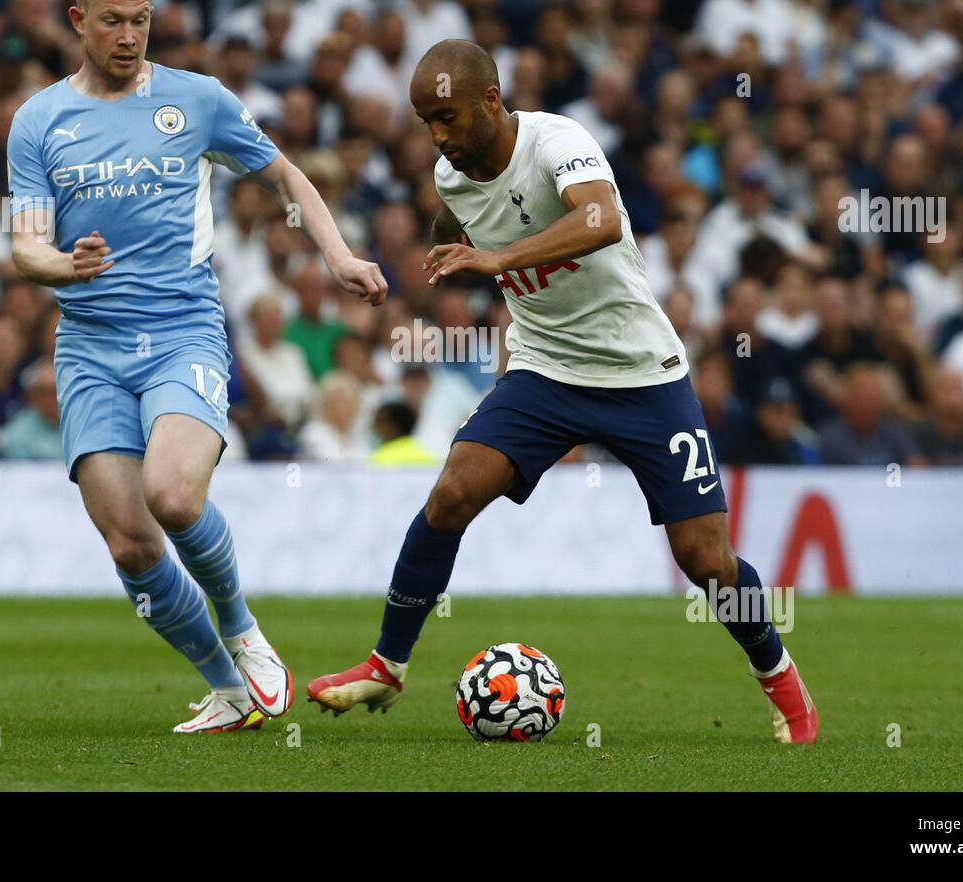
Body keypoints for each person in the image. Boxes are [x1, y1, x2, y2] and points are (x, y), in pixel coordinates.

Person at [308, 40, 818, 744]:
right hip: (546, 369)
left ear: (491, 100)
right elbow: (456, 225)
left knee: (706, 560)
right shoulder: (451, 179)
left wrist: (498, 258)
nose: (438, 137)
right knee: (453, 492)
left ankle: (784, 683)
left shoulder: (559, 141)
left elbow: (600, 221)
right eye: (427, 121)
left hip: (641, 372)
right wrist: (442, 252)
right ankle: (387, 665)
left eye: (448, 118)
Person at [7, 0, 386, 734]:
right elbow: (25, 246)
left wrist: (339, 253)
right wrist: (62, 268)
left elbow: (287, 176)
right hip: (89, 346)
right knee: (132, 547)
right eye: (111, 21)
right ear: (79, 21)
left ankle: (243, 628)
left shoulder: (199, 100)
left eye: (141, 21)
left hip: (182, 332)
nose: (128, 36)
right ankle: (227, 689)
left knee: (174, 495)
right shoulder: (39, 120)